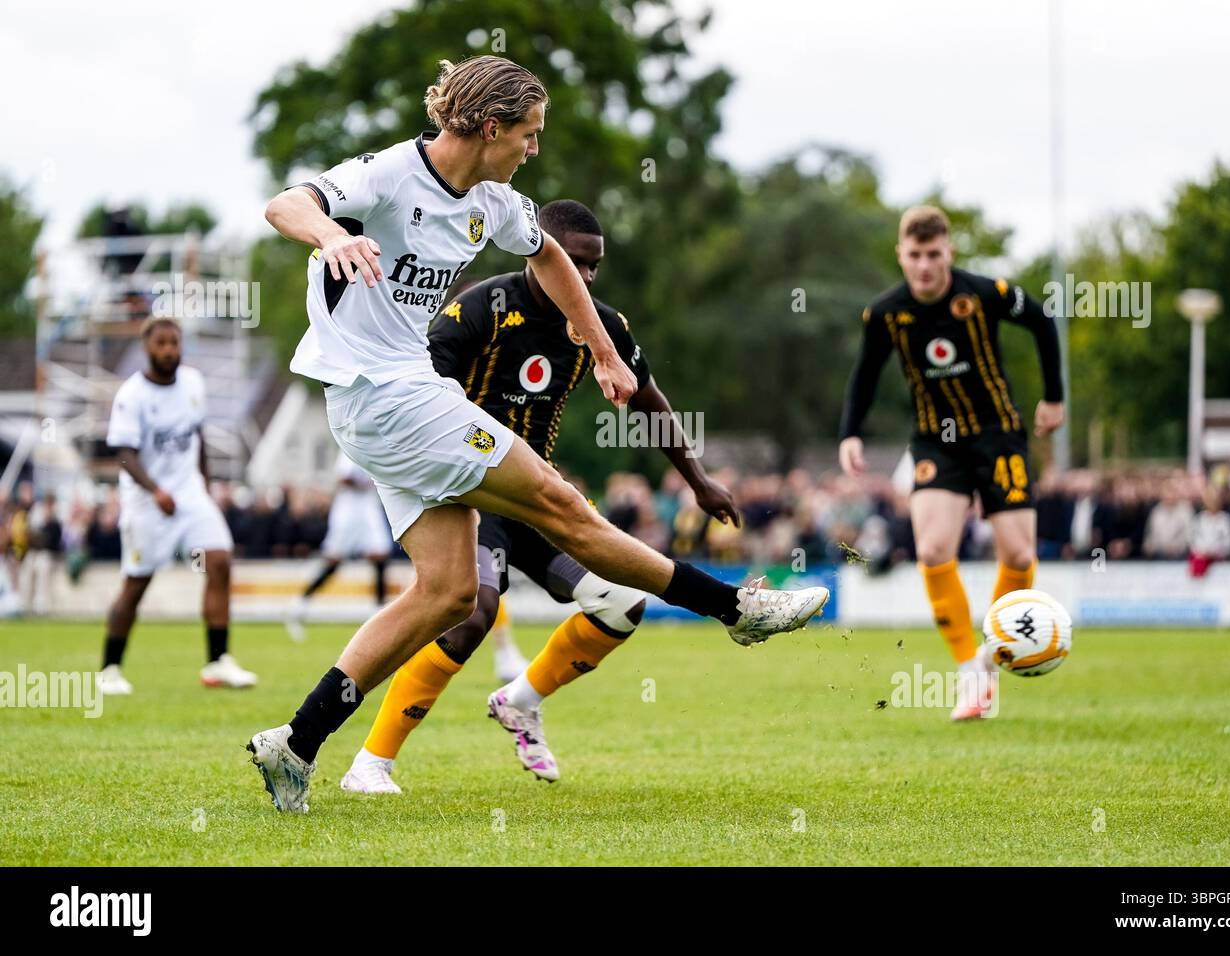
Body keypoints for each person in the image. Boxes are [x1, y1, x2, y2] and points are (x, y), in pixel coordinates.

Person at [251, 55, 827, 813]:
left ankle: (295, 743)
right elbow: (284, 203)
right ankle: (736, 609)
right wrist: (330, 234)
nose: (534, 148)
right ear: (490, 128)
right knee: (560, 505)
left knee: (450, 593)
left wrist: (605, 350)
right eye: (528, 133)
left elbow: (550, 255)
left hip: (391, 402)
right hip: (385, 396)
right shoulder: (390, 175)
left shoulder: (492, 202)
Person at [341, 199, 742, 793]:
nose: (583, 276)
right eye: (573, 262)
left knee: (621, 604)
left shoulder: (601, 324)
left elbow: (648, 398)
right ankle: (371, 762)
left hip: (536, 494)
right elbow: (420, 380)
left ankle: (521, 700)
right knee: (470, 610)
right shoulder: (482, 307)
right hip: (471, 485)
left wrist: (698, 480)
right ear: (539, 253)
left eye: (594, 266)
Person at [838, 205, 1063, 720]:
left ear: (949, 252)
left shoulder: (986, 293)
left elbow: (1043, 319)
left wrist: (1053, 396)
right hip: (935, 443)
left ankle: (991, 652)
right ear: (901, 254)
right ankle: (970, 672)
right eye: (914, 255)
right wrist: (850, 432)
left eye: (933, 255)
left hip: (999, 435)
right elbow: (865, 375)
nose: (923, 266)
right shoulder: (885, 313)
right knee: (935, 547)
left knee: (1020, 553)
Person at [97, 317, 257, 695]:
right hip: (147, 502)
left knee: (218, 562)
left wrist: (204, 483)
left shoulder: (193, 383)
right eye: (161, 343)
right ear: (147, 348)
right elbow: (123, 454)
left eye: (175, 342)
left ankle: (218, 662)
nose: (169, 349)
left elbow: (197, 437)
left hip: (189, 496)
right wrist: (156, 491)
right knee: (137, 583)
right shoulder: (132, 395)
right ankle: (109, 669)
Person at [284, 450, 393, 642]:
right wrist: (371, 481)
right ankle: (299, 606)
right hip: (349, 510)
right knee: (333, 562)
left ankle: (379, 616)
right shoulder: (352, 445)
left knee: (380, 554)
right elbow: (344, 478)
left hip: (368, 506)